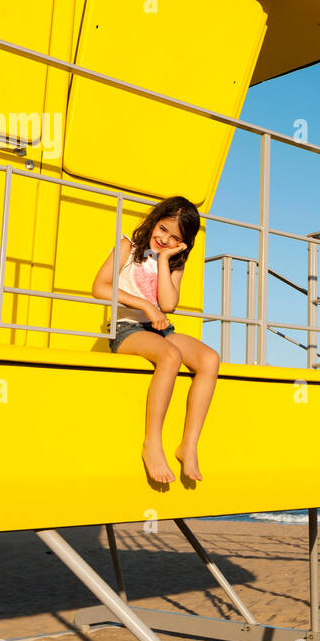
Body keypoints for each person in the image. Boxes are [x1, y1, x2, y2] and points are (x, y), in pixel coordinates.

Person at [91, 196, 218, 484]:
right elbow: (99, 287)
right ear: (154, 220)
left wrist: (164, 260)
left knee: (210, 359)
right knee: (170, 355)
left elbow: (169, 304)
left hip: (160, 331)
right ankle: (152, 442)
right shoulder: (128, 247)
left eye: (175, 238)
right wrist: (146, 306)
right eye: (162, 229)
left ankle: (189, 444)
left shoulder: (172, 263)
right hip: (125, 330)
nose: (165, 239)